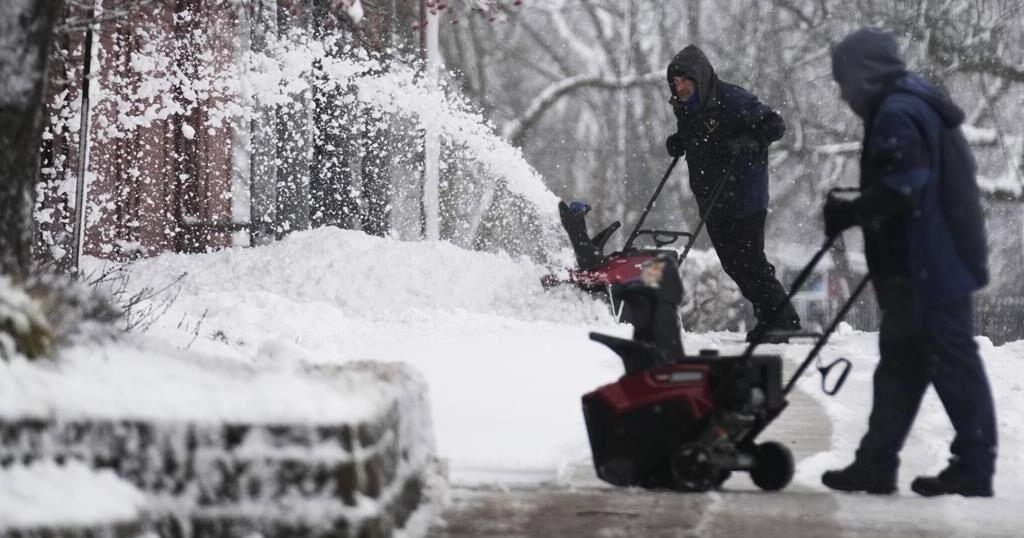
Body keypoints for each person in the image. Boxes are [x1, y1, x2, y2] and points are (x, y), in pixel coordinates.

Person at [821, 28, 998, 497]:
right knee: (900, 366)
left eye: (844, 82)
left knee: (953, 363)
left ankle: (974, 467)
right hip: (927, 261)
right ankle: (876, 463)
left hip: (928, 266)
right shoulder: (912, 101)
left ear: (863, 76)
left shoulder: (898, 111)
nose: (842, 93)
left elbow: (905, 183)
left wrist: (852, 211)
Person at [665, 45, 800, 342]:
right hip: (712, 199)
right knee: (733, 264)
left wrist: (744, 143)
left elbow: (774, 125)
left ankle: (783, 320)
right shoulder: (687, 108)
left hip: (744, 196)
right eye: (675, 81)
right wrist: (680, 141)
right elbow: (700, 139)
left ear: (699, 77)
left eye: (685, 79)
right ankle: (771, 317)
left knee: (750, 261)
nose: (680, 86)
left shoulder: (732, 99)